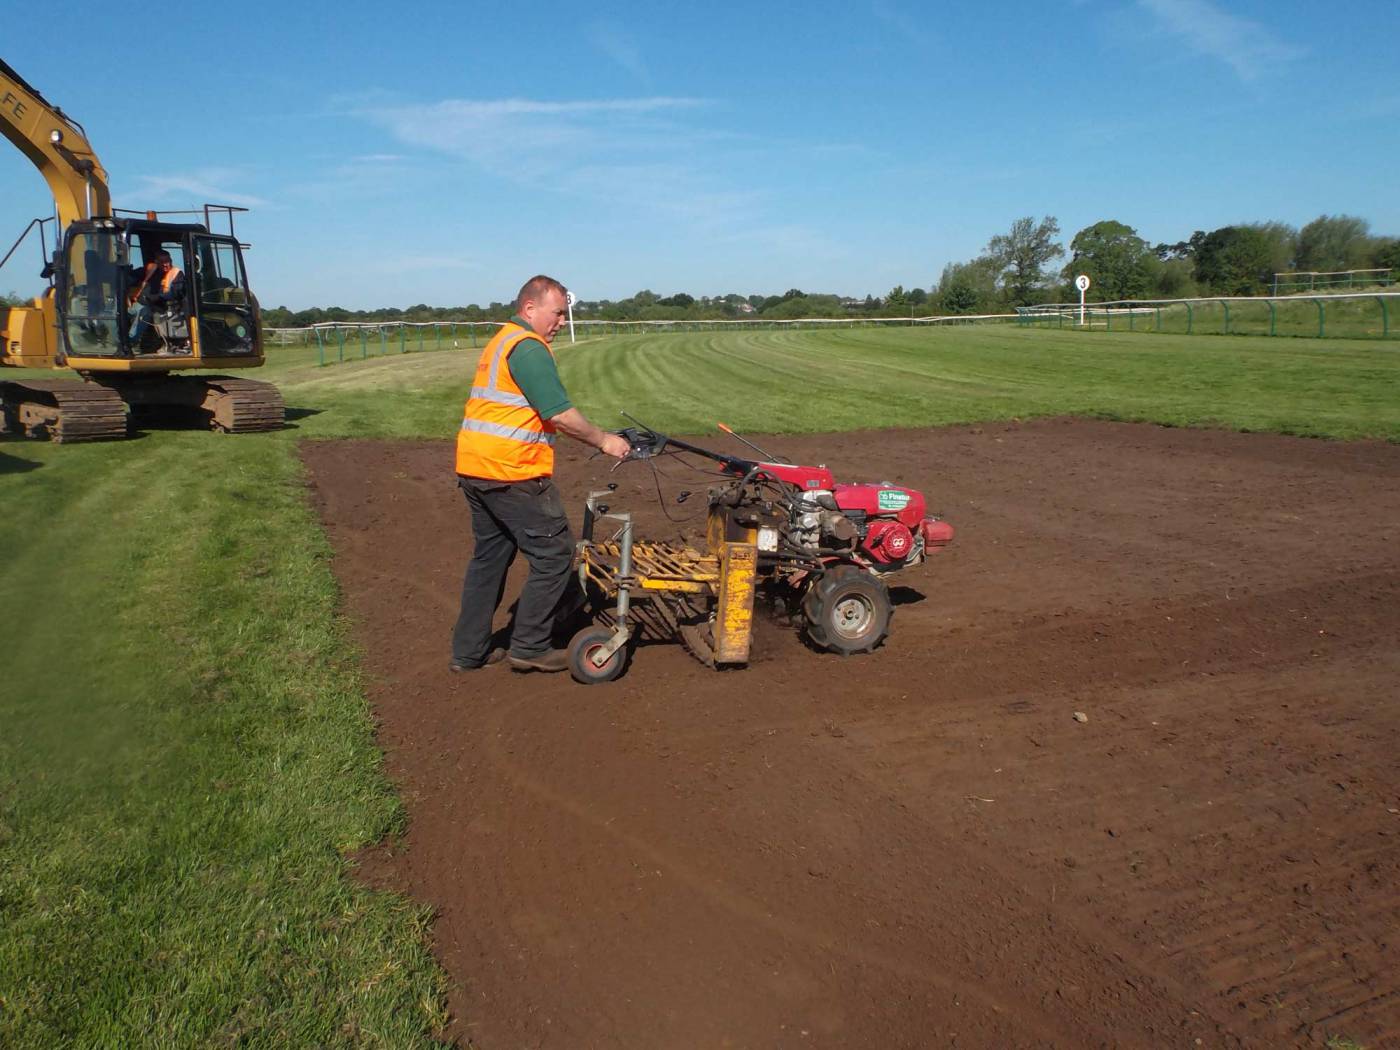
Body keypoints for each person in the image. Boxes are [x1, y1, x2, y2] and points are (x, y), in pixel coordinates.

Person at [451, 275, 631, 673]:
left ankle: (469, 652)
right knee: (553, 555)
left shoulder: (502, 340)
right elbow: (559, 414)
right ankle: (529, 647)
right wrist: (605, 440)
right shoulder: (528, 348)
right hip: (512, 472)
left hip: (476, 468)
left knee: (489, 559)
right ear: (530, 308)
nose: (560, 322)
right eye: (557, 313)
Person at [127, 250, 187, 351]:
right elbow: (132, 276)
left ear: (171, 260)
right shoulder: (152, 270)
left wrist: (157, 297)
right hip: (139, 303)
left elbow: (177, 293)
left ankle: (130, 342)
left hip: (159, 308)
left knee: (144, 313)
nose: (165, 264)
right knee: (121, 313)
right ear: (156, 262)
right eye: (162, 262)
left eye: (167, 261)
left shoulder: (176, 275)